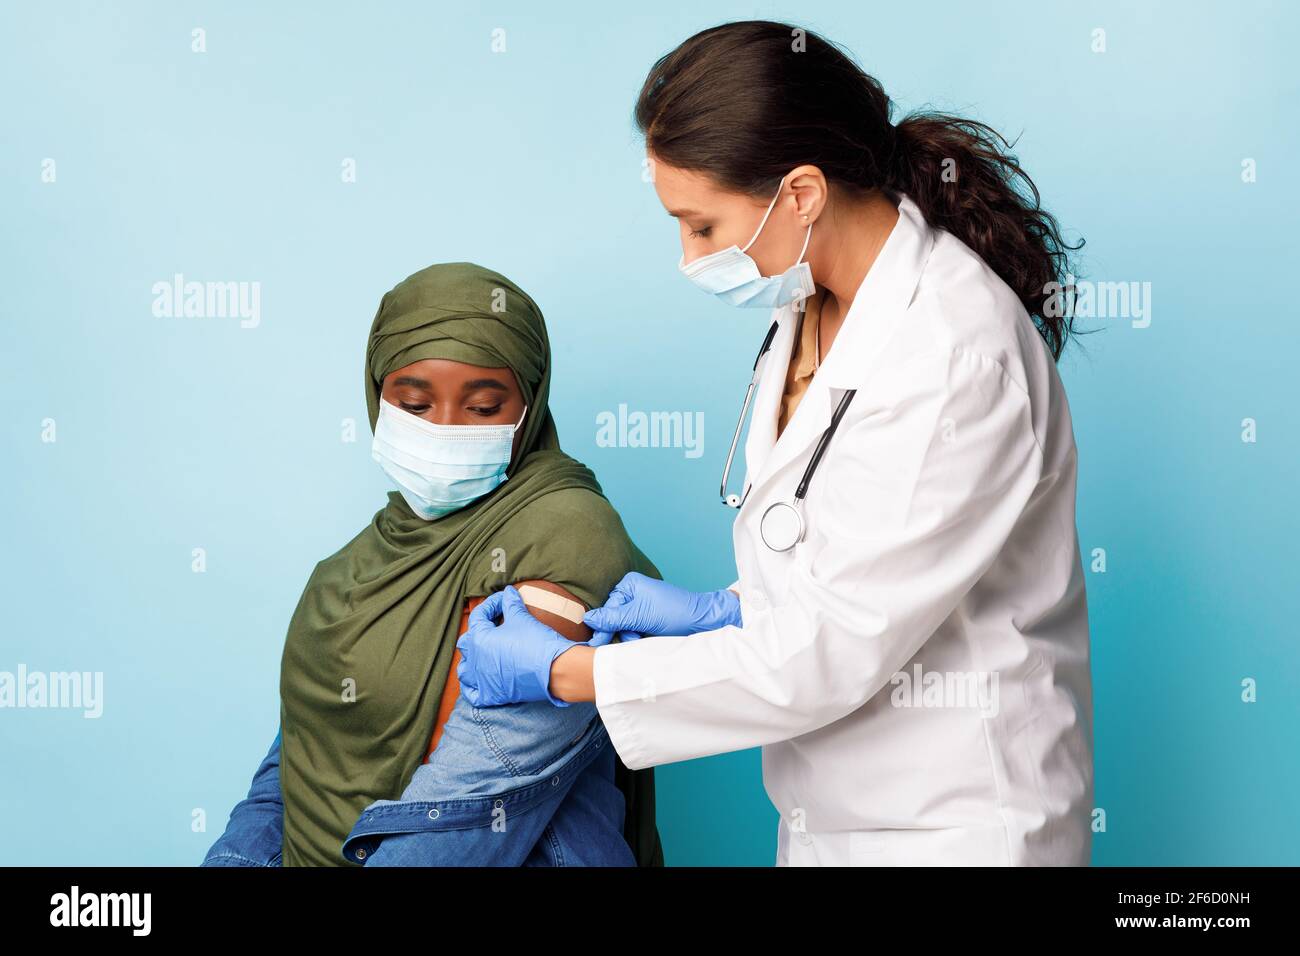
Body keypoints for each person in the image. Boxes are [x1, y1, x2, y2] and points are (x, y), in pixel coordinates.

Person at [455, 21, 1095, 866]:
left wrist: (567, 677)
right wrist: (731, 611)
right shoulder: (812, 303)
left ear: (799, 194)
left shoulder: (954, 352)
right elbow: (849, 561)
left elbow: (829, 652)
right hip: (833, 814)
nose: (687, 257)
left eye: (702, 226)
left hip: (957, 826)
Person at [201, 262, 664, 867]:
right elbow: (287, 776)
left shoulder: (565, 531)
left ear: (529, 409)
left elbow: (477, 794)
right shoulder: (352, 569)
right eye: (415, 404)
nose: (443, 429)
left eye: (482, 408)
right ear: (377, 397)